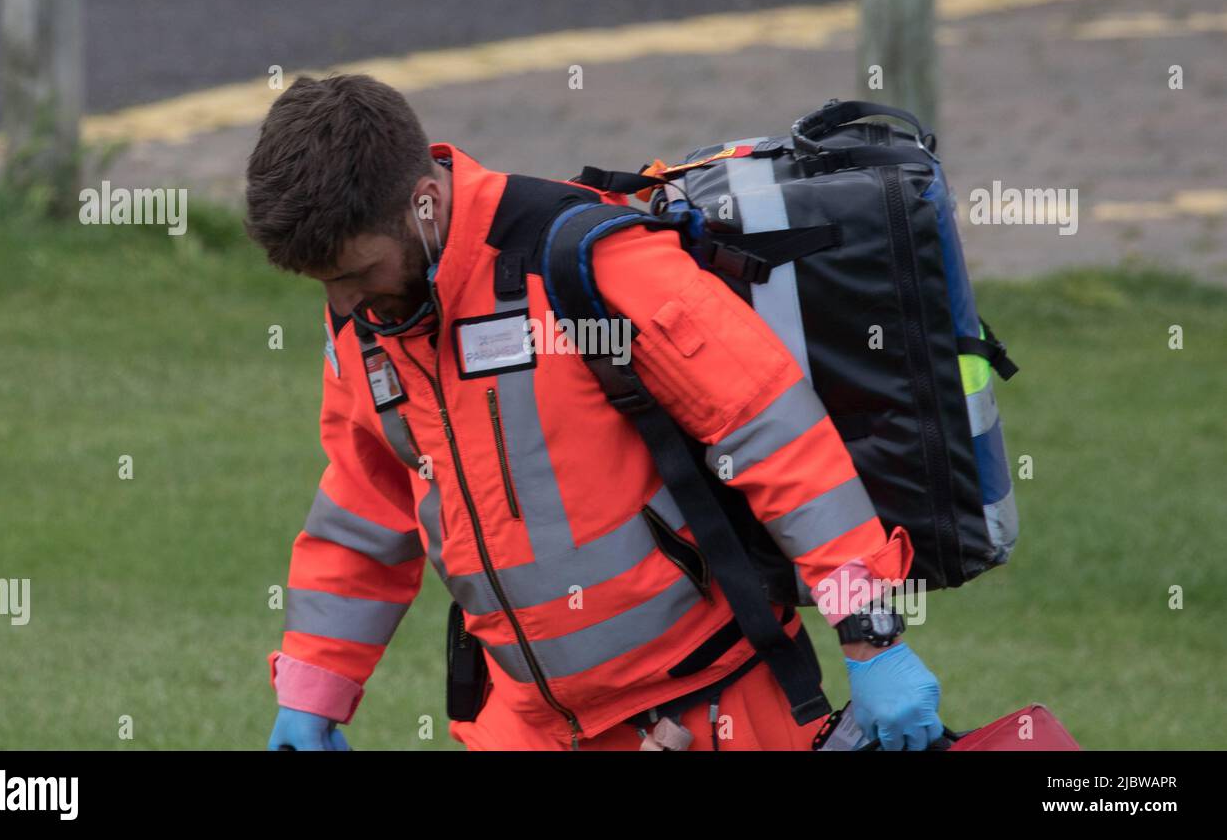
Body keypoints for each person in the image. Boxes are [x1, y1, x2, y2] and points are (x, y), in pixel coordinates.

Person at [245, 73, 942, 751]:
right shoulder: (369, 330)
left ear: (424, 204)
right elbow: (365, 511)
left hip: (717, 708)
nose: (345, 305)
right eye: (327, 285)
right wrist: (315, 689)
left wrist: (869, 632)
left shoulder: (588, 263)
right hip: (523, 728)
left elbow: (772, 430)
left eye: (357, 274)